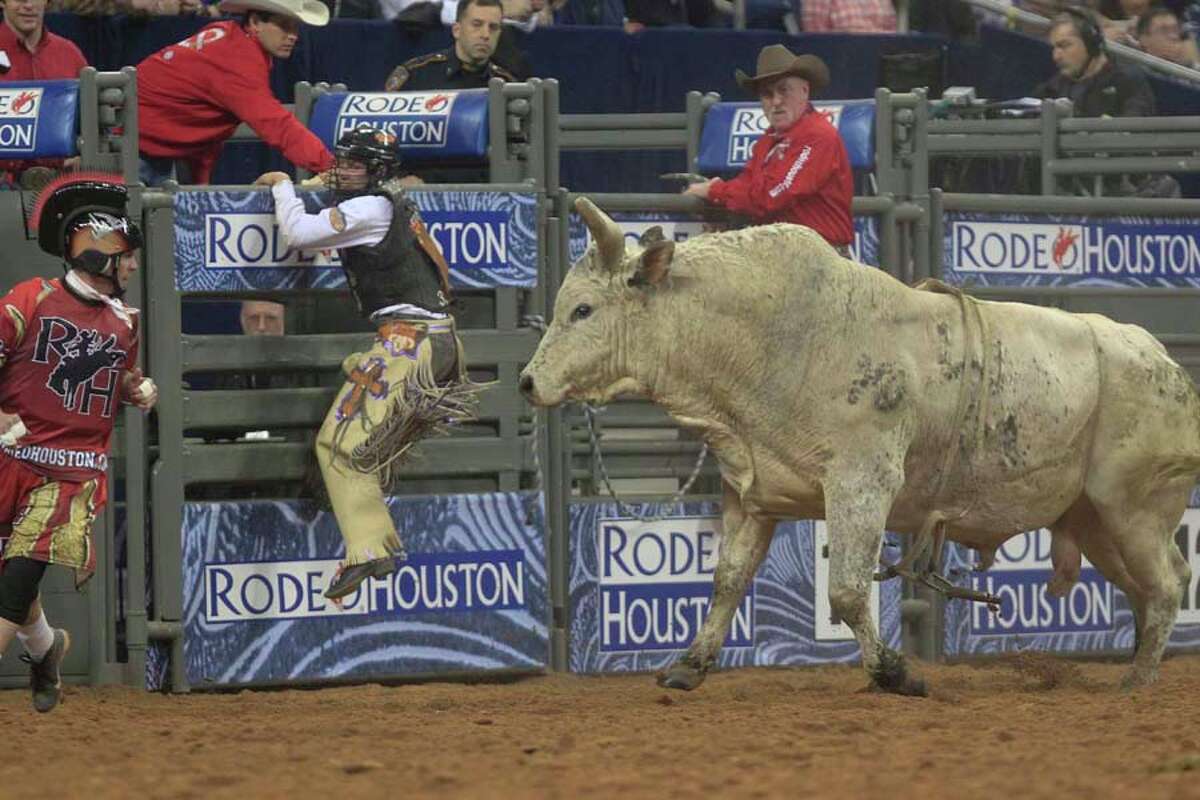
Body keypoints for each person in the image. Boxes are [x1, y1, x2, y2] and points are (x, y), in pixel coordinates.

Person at [254, 127, 481, 601]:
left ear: (376, 171)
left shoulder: (371, 208)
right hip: (428, 341)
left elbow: (298, 233)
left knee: (339, 447)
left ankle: (369, 547)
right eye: (342, 162)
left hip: (410, 342)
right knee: (356, 421)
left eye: (354, 164)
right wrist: (316, 184)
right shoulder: (388, 201)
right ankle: (371, 537)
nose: (343, 170)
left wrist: (282, 186)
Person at [0, 173, 157, 712]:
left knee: (17, 580)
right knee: (11, 580)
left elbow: (121, 379)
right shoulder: (29, 300)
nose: (132, 267)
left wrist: (135, 389)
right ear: (98, 254)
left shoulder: (126, 322)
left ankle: (41, 648)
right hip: (10, 460)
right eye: (127, 256)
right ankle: (47, 648)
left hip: (72, 472)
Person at [135, 0, 335, 186]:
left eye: (295, 27)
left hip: (145, 143)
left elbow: (205, 120)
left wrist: (200, 186)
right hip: (132, 148)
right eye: (284, 25)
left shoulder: (227, 32)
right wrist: (331, 167)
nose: (293, 35)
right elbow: (275, 124)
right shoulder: (237, 59)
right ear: (255, 22)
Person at [684, 45, 854, 255]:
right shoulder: (769, 140)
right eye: (767, 94)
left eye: (784, 90)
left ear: (804, 91)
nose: (776, 101)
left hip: (822, 255)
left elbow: (771, 195)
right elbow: (748, 184)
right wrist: (719, 189)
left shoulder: (818, 136)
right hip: (784, 253)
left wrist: (714, 191)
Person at [1034, 8, 1157, 116]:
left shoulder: (1127, 81)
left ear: (1091, 43)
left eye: (1065, 45)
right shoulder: (1051, 91)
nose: (1056, 56)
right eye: (1054, 48)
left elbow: (1135, 128)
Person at [384, 0, 516, 92]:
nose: (486, 35)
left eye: (493, 27)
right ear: (456, 30)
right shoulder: (415, 75)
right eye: (477, 25)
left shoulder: (508, 85)